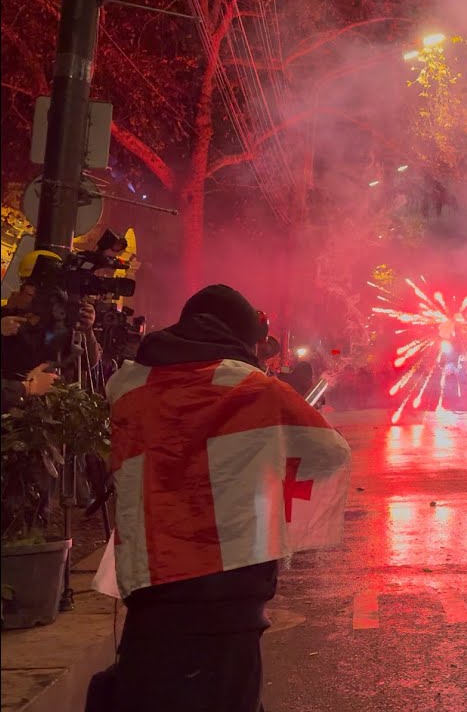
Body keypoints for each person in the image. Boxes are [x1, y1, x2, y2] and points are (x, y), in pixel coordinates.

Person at [92, 284, 351, 712]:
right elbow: (330, 454)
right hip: (230, 591)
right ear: (240, 338)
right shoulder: (256, 389)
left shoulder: (127, 386)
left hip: (149, 589)